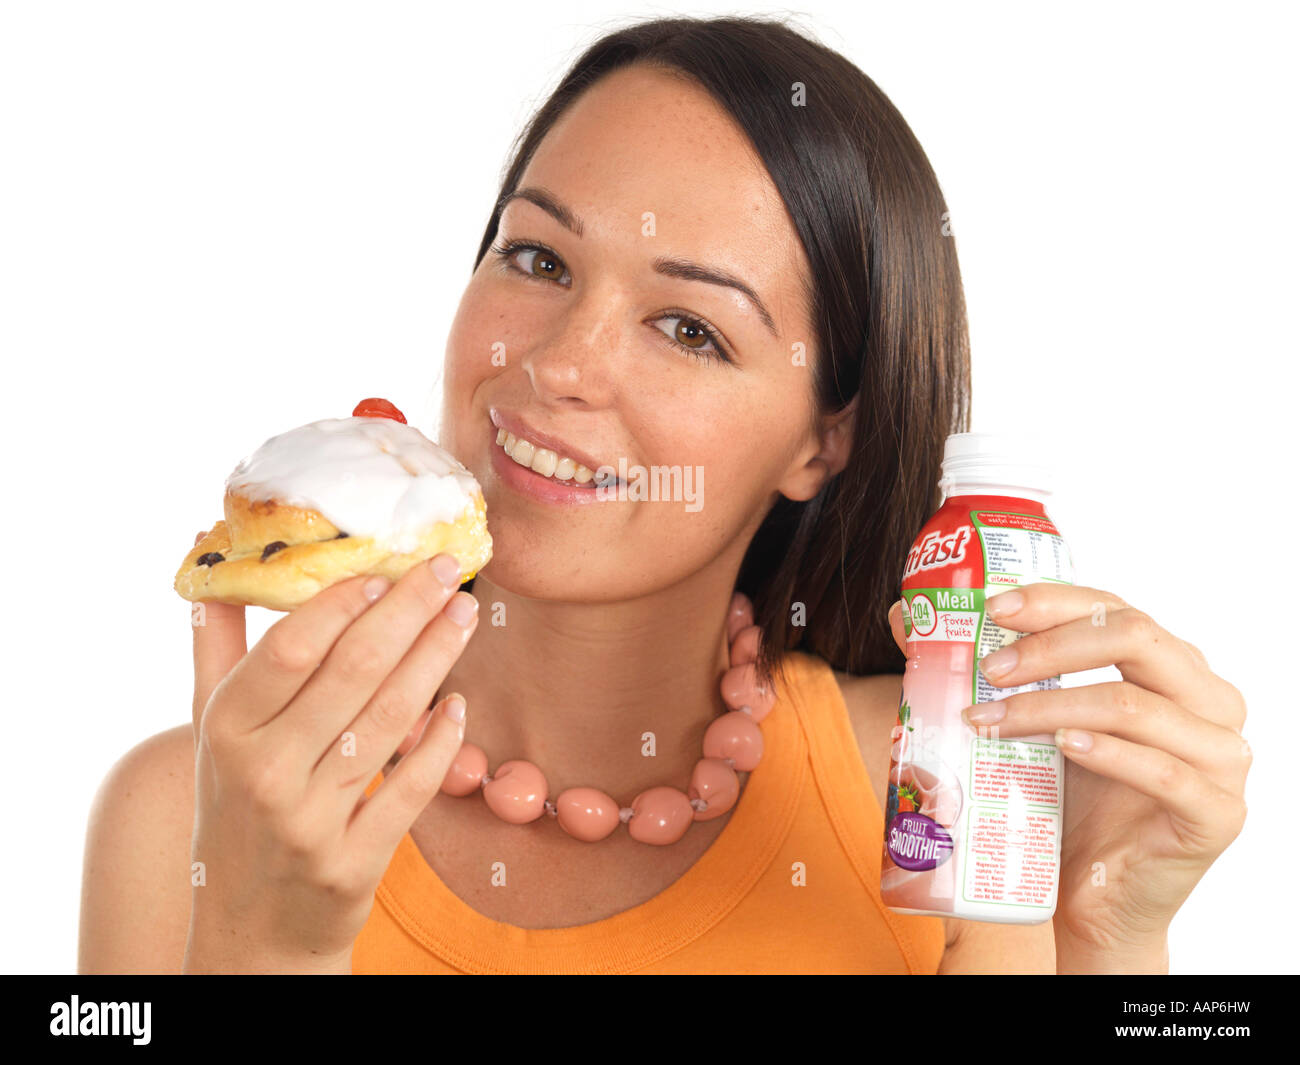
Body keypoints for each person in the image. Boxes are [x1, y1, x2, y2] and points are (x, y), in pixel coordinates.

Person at [79, 14, 1249, 974]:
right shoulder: (181, 816)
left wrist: (1104, 936)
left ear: (823, 441)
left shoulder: (942, 788)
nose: (560, 366)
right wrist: (261, 945)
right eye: (536, 259)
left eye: (689, 327)